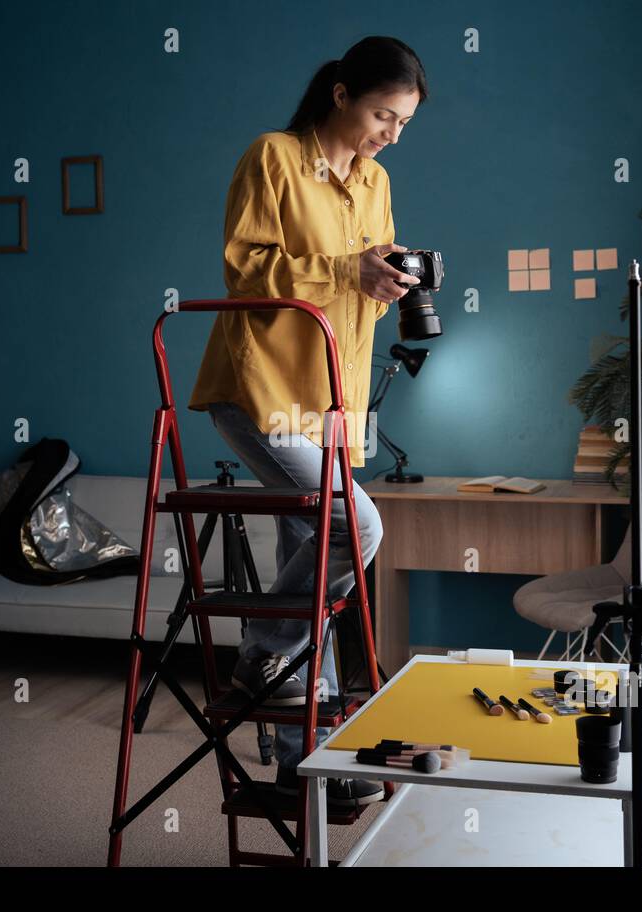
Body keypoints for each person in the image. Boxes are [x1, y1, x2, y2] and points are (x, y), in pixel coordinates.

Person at [188, 36, 428, 808]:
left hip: (331, 399)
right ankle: (260, 651)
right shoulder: (275, 158)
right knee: (353, 529)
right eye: (382, 115)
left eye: (403, 122)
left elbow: (354, 304)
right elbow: (245, 267)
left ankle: (305, 768)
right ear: (340, 95)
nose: (391, 134)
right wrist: (344, 270)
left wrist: (385, 282)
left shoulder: (378, 182)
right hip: (258, 386)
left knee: (315, 558)